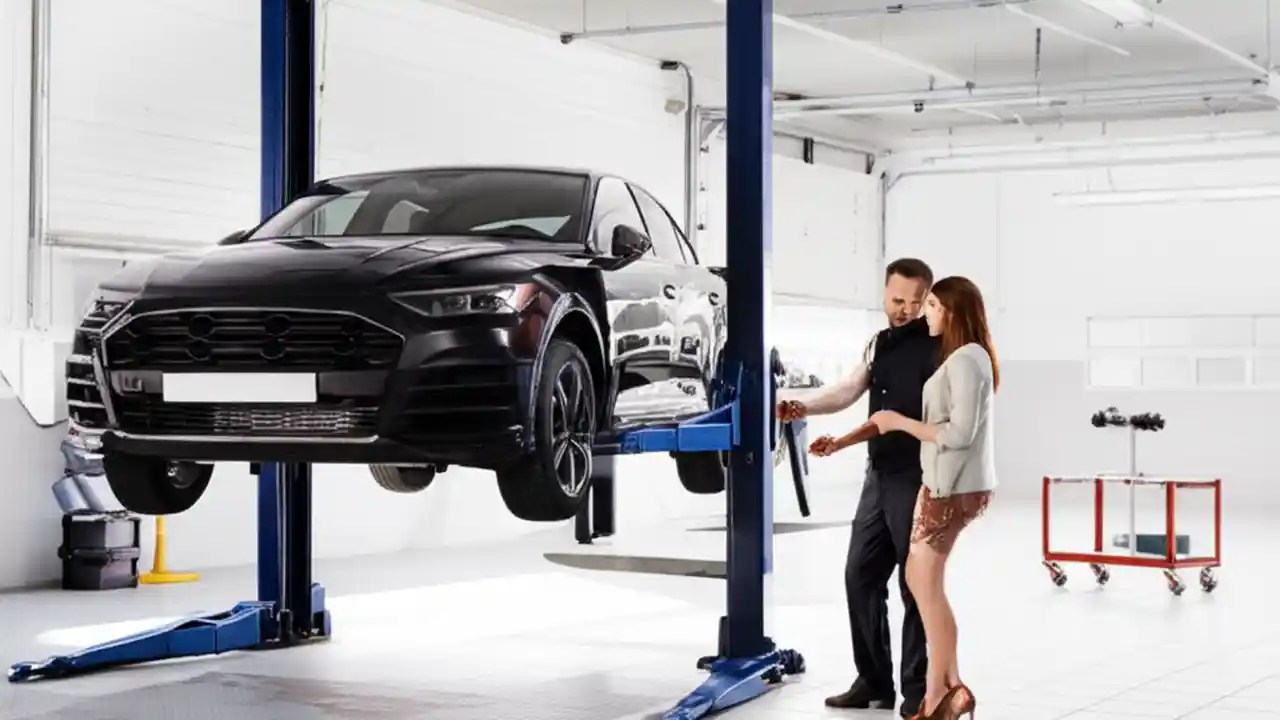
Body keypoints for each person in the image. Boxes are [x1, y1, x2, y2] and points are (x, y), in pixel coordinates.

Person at [776, 257, 938, 718]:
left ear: (928, 299)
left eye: (914, 301)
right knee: (860, 575)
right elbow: (849, 389)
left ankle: (916, 691)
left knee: (915, 586)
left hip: (920, 477)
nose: (904, 309)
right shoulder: (878, 343)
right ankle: (873, 681)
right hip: (879, 475)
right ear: (884, 294)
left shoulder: (940, 347)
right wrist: (801, 405)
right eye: (896, 299)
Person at [864, 276, 998, 720]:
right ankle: (946, 689)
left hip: (948, 489)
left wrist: (900, 423)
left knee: (925, 589)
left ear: (955, 313)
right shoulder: (969, 358)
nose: (926, 314)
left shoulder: (965, 359)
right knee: (925, 587)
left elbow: (959, 435)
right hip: (952, 486)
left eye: (935, 306)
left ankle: (939, 693)